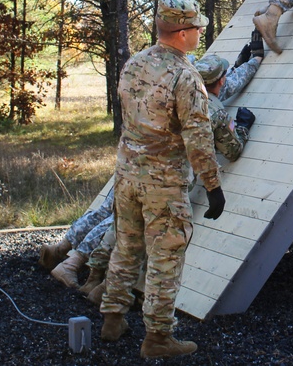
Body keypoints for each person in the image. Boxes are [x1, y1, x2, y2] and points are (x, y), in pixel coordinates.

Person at [82, 41, 264, 306]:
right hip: (167, 184)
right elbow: (232, 150)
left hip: (135, 169)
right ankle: (119, 297)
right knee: (154, 243)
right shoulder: (212, 111)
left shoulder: (169, 89)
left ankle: (94, 281)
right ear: (221, 82)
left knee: (123, 232)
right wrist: (244, 128)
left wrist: (240, 65)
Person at [100, 0, 226, 359]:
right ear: (183, 33)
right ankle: (157, 337)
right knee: (165, 257)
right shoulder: (185, 76)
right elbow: (198, 136)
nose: (201, 31)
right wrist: (213, 186)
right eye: (197, 26)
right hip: (163, 185)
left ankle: (112, 317)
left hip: (126, 177)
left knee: (126, 246)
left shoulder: (134, 63)